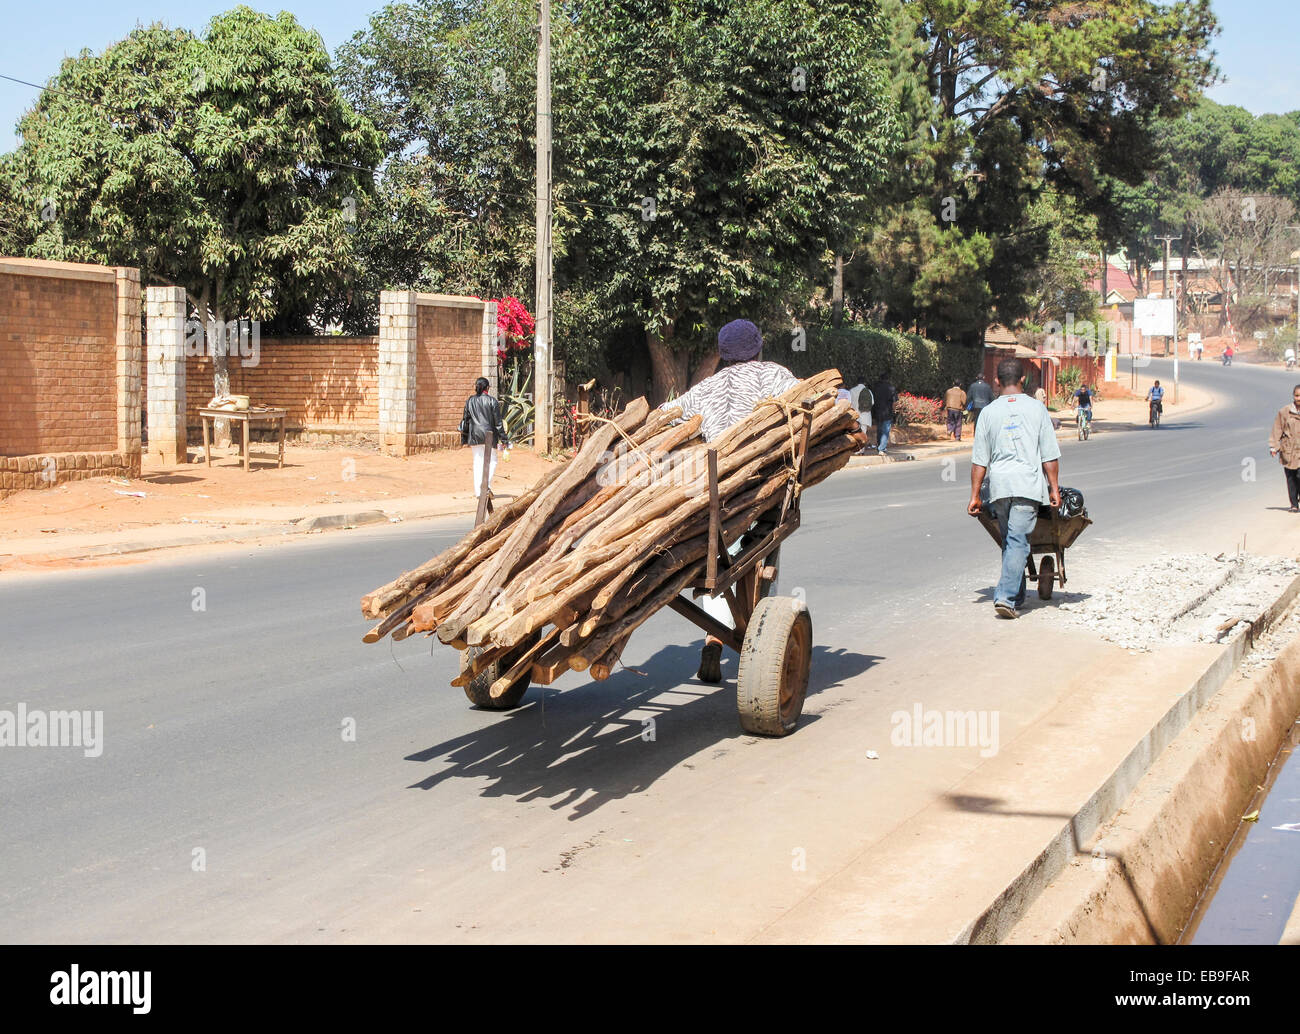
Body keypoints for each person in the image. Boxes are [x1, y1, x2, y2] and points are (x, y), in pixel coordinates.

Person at [662, 319, 798, 680]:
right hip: (759, 488)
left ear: (722, 355)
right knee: (762, 552)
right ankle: (756, 632)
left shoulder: (706, 387)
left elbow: (667, 416)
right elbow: (810, 399)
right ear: (758, 348)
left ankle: (713, 639)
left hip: (716, 493)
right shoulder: (773, 376)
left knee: (718, 561)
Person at [967, 358, 1062, 619]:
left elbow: (979, 460)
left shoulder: (987, 413)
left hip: (999, 487)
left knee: (1010, 541)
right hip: (1027, 485)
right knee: (1018, 541)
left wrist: (975, 495)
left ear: (996, 382)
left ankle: (1017, 594)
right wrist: (1054, 489)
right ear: (1023, 380)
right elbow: (1049, 455)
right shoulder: (1037, 409)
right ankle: (1006, 597)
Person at [460, 377, 509, 498]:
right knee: (492, 460)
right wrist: (504, 439)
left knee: (477, 462)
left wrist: (464, 437)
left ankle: (478, 491)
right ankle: (485, 486)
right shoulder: (492, 401)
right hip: (489, 436)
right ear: (487, 388)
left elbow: (465, 420)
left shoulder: (470, 401)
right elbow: (498, 423)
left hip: (475, 436)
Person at [1268, 384, 1300, 512]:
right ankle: (1293, 504)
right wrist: (1274, 447)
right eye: (1297, 395)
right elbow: (1277, 429)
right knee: (1291, 477)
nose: (1299, 398)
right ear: (1293, 396)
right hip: (1289, 451)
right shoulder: (1285, 411)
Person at [872, 373, 898, 455]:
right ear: (888, 379)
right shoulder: (891, 388)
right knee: (885, 431)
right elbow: (894, 402)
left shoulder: (875, 388)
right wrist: (893, 411)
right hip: (887, 412)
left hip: (877, 411)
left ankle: (879, 446)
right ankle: (882, 449)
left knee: (879, 430)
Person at [849, 377, 873, 450]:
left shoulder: (852, 390)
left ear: (857, 383)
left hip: (854, 416)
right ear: (864, 383)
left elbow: (849, 403)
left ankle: (855, 450)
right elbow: (872, 403)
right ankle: (861, 450)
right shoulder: (868, 391)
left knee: (854, 433)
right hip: (865, 416)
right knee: (863, 433)